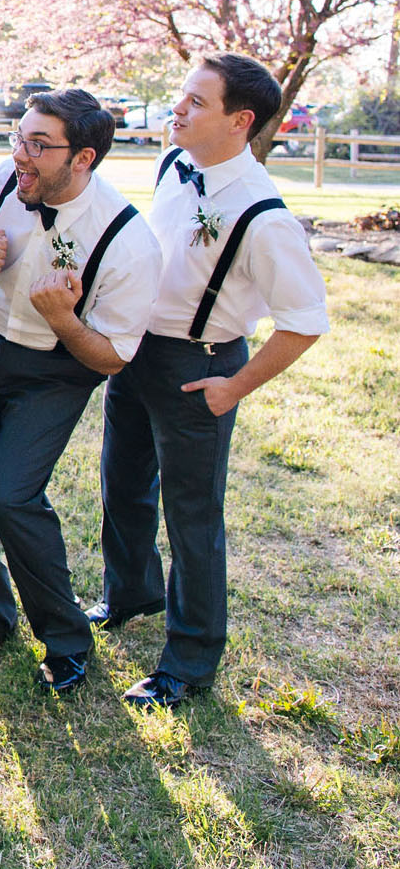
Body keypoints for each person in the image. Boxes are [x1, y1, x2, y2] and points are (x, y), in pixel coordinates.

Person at [90, 54, 327, 709]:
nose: (177, 109)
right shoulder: (173, 166)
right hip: (136, 352)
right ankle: (128, 593)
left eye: (195, 102)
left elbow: (304, 321)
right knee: (122, 483)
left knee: (192, 515)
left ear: (238, 121)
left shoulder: (263, 216)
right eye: (180, 96)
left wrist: (233, 387)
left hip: (200, 366)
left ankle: (188, 662)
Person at [0, 89, 160, 694]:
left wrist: (63, 318)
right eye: (17, 138)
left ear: (82, 157)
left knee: (10, 494)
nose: (20, 155)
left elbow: (112, 356)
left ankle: (64, 639)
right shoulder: (10, 182)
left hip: (57, 370)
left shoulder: (126, 239)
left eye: (38, 145)